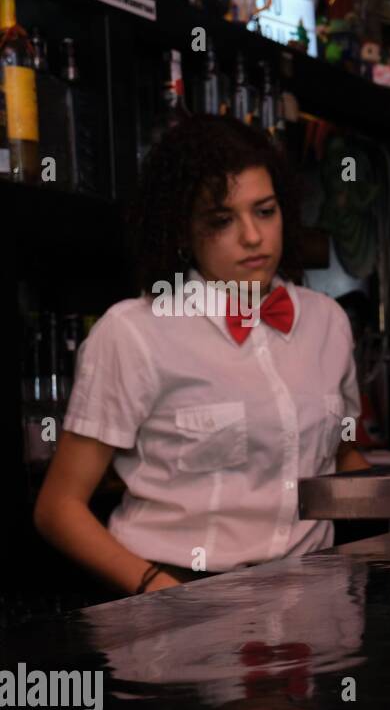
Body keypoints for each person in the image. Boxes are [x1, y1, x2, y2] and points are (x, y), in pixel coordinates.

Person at [34, 114, 368, 597]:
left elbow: (343, 455)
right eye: (222, 220)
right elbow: (58, 508)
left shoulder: (327, 322)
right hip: (180, 593)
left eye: (265, 211)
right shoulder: (133, 334)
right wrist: (158, 589)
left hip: (314, 595)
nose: (252, 237)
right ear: (182, 230)